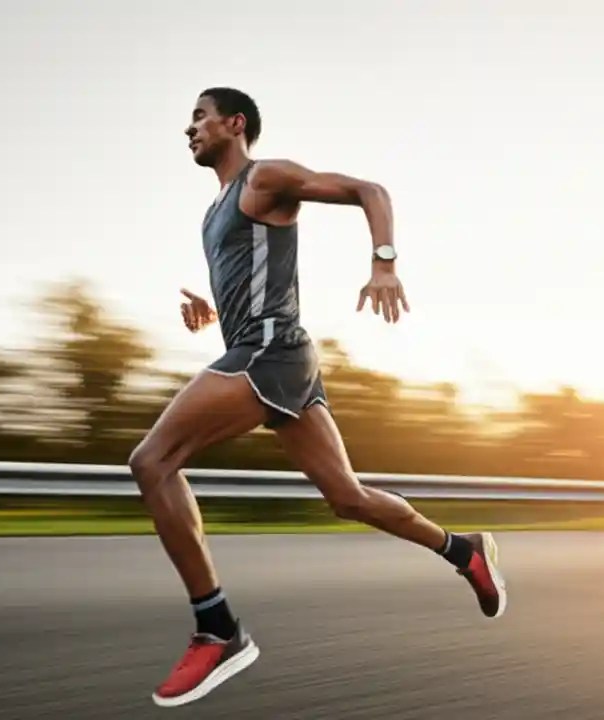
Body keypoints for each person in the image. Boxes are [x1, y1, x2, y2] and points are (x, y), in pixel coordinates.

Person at [129, 87, 507, 708]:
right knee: (348, 498)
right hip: (278, 357)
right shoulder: (213, 213)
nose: (189, 128)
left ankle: (218, 628)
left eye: (199, 116)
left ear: (234, 123)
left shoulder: (264, 178)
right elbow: (255, 288)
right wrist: (211, 309)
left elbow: (370, 191)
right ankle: (462, 550)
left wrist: (383, 262)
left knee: (152, 461)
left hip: (271, 354)